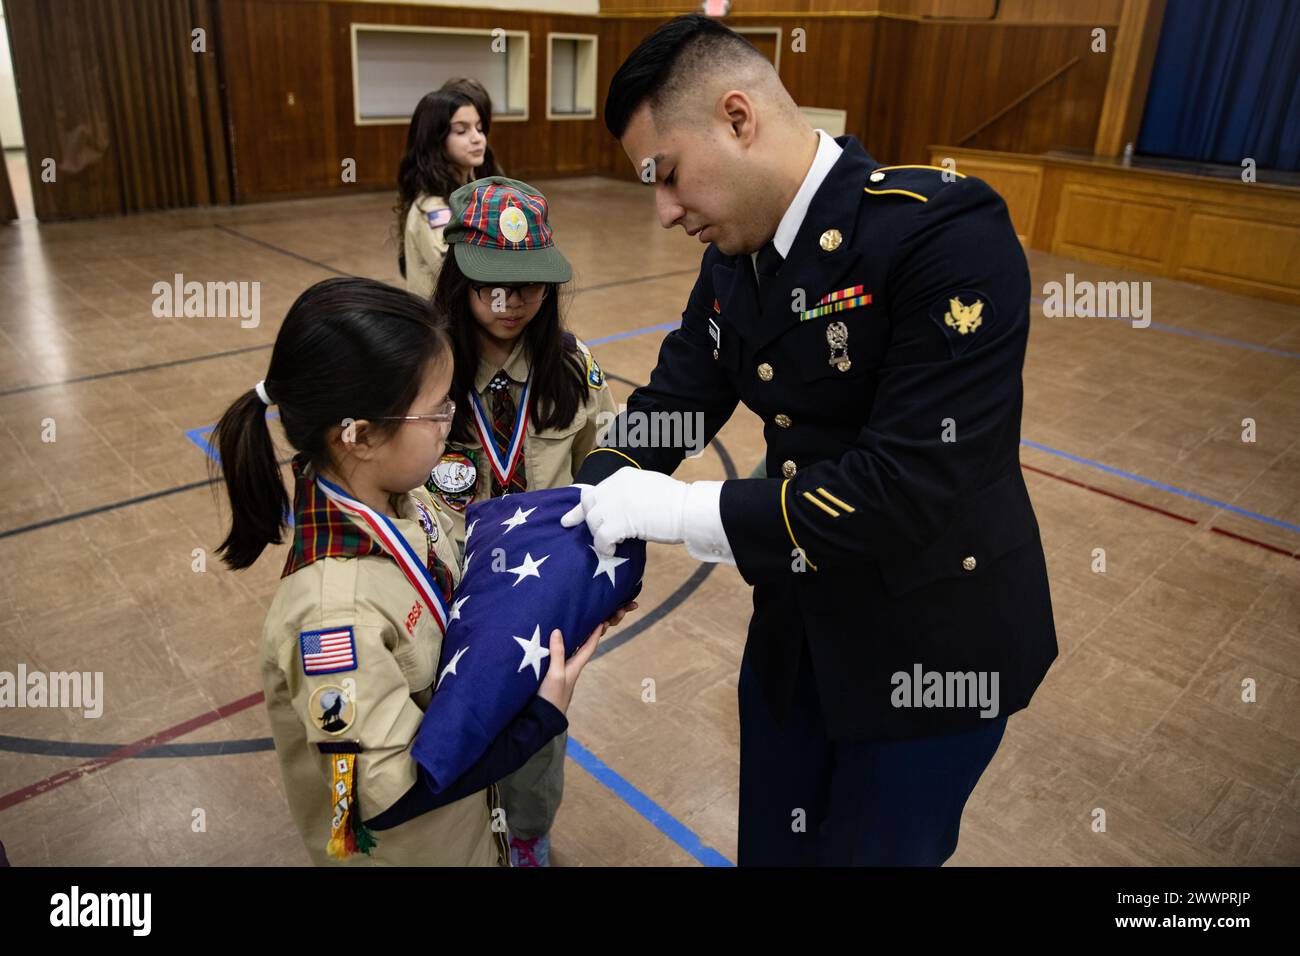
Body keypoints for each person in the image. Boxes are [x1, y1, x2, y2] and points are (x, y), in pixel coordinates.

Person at [562, 15, 1058, 866]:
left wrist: (677, 509)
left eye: (669, 174)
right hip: (797, 633)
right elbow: (679, 397)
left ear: (739, 117)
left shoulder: (941, 233)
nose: (664, 210)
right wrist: (595, 488)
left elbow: (904, 486)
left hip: (929, 657)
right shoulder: (737, 254)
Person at [210, 276, 606, 866]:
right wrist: (537, 720)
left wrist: (572, 588)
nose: (451, 421)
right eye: (436, 410)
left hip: (469, 828)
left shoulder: (409, 499)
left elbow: (475, 576)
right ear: (362, 436)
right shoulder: (331, 617)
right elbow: (387, 796)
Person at [426, 176, 623, 866]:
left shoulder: (571, 366)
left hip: (543, 599)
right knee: (456, 727)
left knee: (538, 730)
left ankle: (529, 839)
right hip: (449, 598)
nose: (509, 305)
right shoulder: (427, 372)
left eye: (528, 286)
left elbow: (605, 469)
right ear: (457, 278)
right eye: (489, 287)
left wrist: (606, 578)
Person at [396, 81, 500, 299]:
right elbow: (462, 275)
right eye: (461, 131)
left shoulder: (474, 190)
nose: (477, 138)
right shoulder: (434, 208)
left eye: (479, 128)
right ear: (436, 141)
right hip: (443, 327)